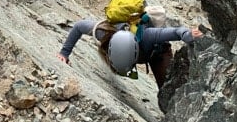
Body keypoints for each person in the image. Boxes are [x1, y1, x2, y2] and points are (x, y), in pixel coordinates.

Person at [57, 15, 203, 87]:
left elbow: (177, 31)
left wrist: (188, 35)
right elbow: (79, 26)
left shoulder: (148, 36)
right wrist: (64, 53)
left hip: (156, 53)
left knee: (167, 88)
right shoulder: (103, 32)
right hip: (121, 49)